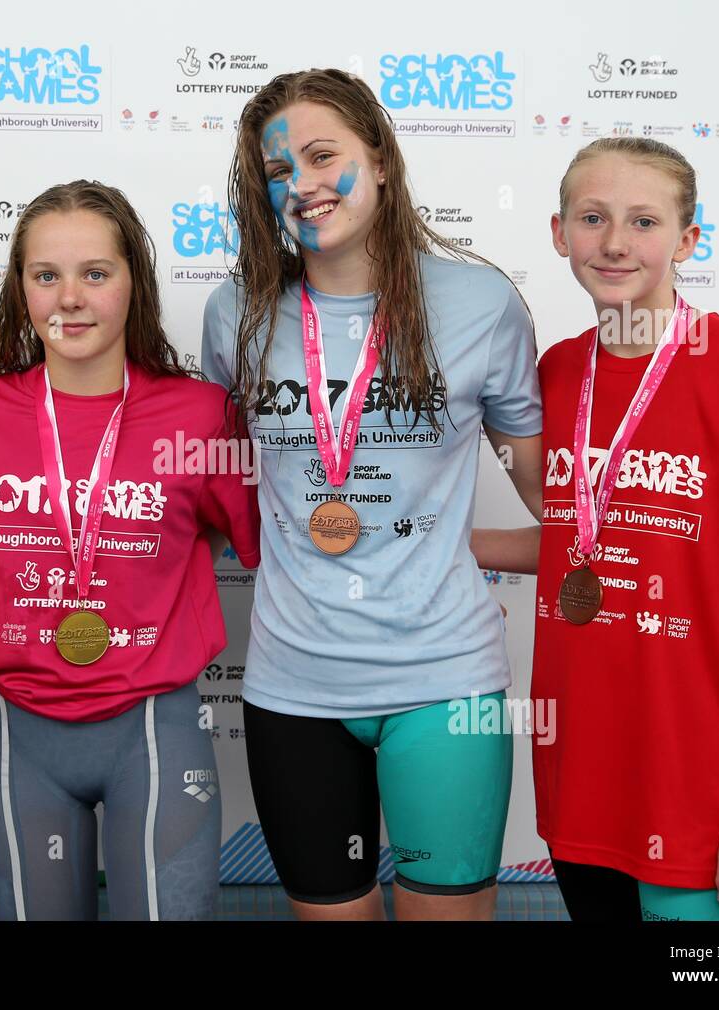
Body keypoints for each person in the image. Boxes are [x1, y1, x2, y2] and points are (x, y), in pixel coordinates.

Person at [201, 69, 543, 921]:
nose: (304, 184)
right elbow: (219, 486)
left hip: (445, 680)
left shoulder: (479, 304)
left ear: (381, 161)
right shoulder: (236, 311)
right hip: (294, 686)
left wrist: (463, 552)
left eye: (324, 156)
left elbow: (556, 501)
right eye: (280, 171)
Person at [475, 136, 719, 921]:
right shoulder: (554, 376)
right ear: (559, 232)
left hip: (697, 786)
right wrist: (448, 547)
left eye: (643, 221)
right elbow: (591, 541)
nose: (614, 243)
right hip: (578, 781)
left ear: (687, 239)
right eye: (593, 217)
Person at [0, 180, 260, 920]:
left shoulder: (201, 417)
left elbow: (278, 544)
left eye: (95, 274)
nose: (69, 298)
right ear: (21, 289)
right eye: (47, 275)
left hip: (155, 728)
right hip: (20, 733)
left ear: (134, 281)